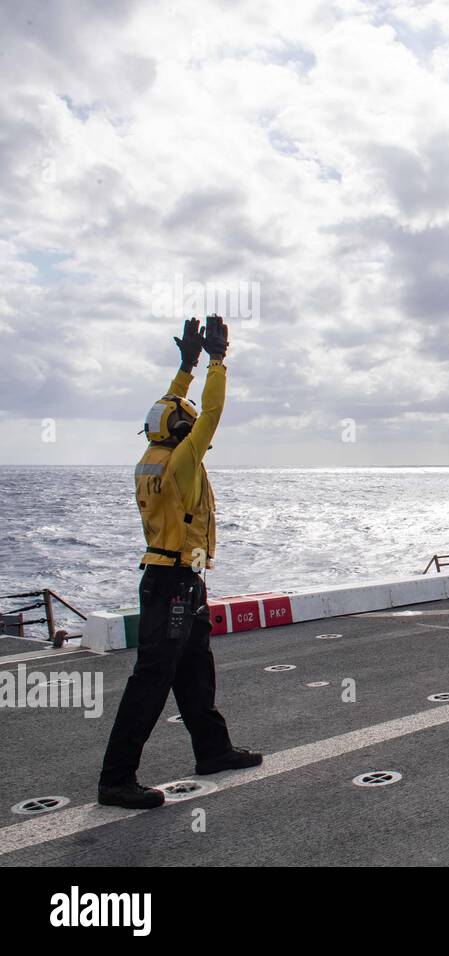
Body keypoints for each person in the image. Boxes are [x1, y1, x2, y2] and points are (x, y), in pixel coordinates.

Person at [98, 315, 262, 810]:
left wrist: (184, 366)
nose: (198, 427)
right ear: (183, 430)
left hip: (179, 578)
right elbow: (211, 413)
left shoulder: (151, 454)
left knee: (195, 667)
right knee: (153, 676)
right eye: (190, 423)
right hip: (173, 581)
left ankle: (212, 750)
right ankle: (116, 778)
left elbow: (169, 409)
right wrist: (217, 362)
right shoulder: (182, 461)